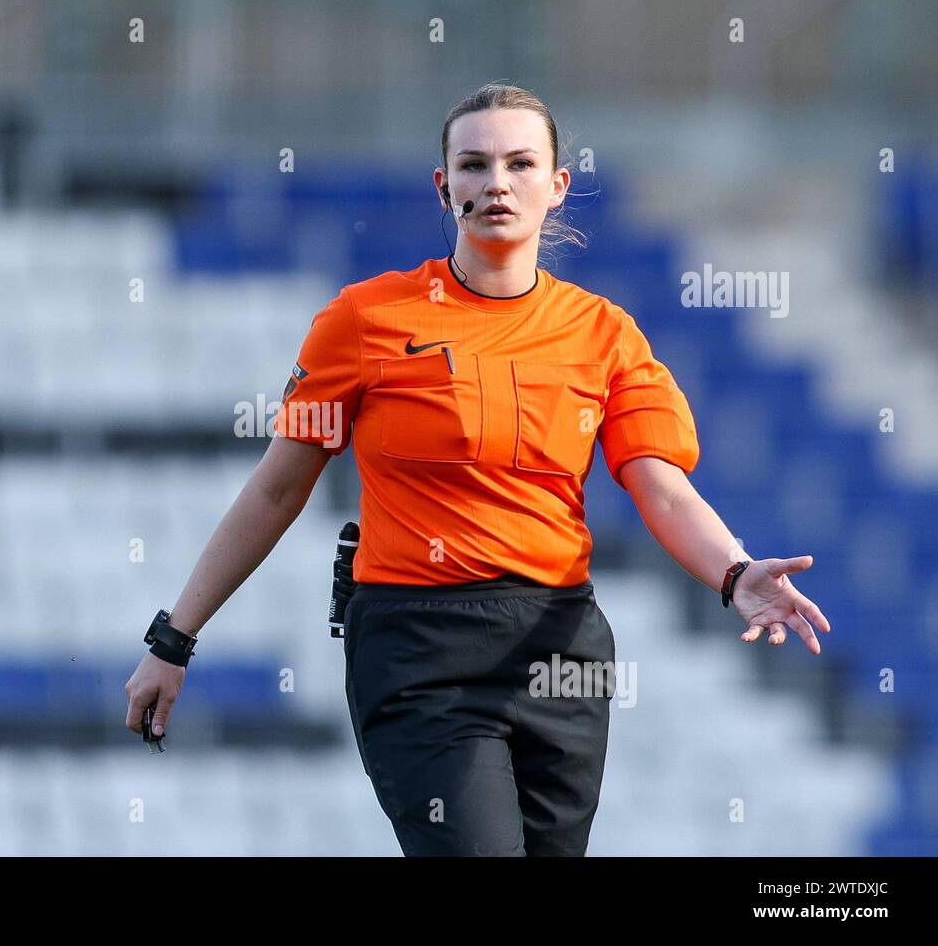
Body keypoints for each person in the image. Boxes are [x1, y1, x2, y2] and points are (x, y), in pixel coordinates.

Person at [124, 80, 832, 856]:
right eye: (474, 165)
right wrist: (175, 638)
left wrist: (734, 574)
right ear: (444, 185)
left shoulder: (605, 335)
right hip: (417, 650)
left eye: (521, 163)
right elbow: (277, 487)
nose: (497, 183)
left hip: (563, 653)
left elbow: (661, 487)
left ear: (557, 187)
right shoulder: (367, 320)